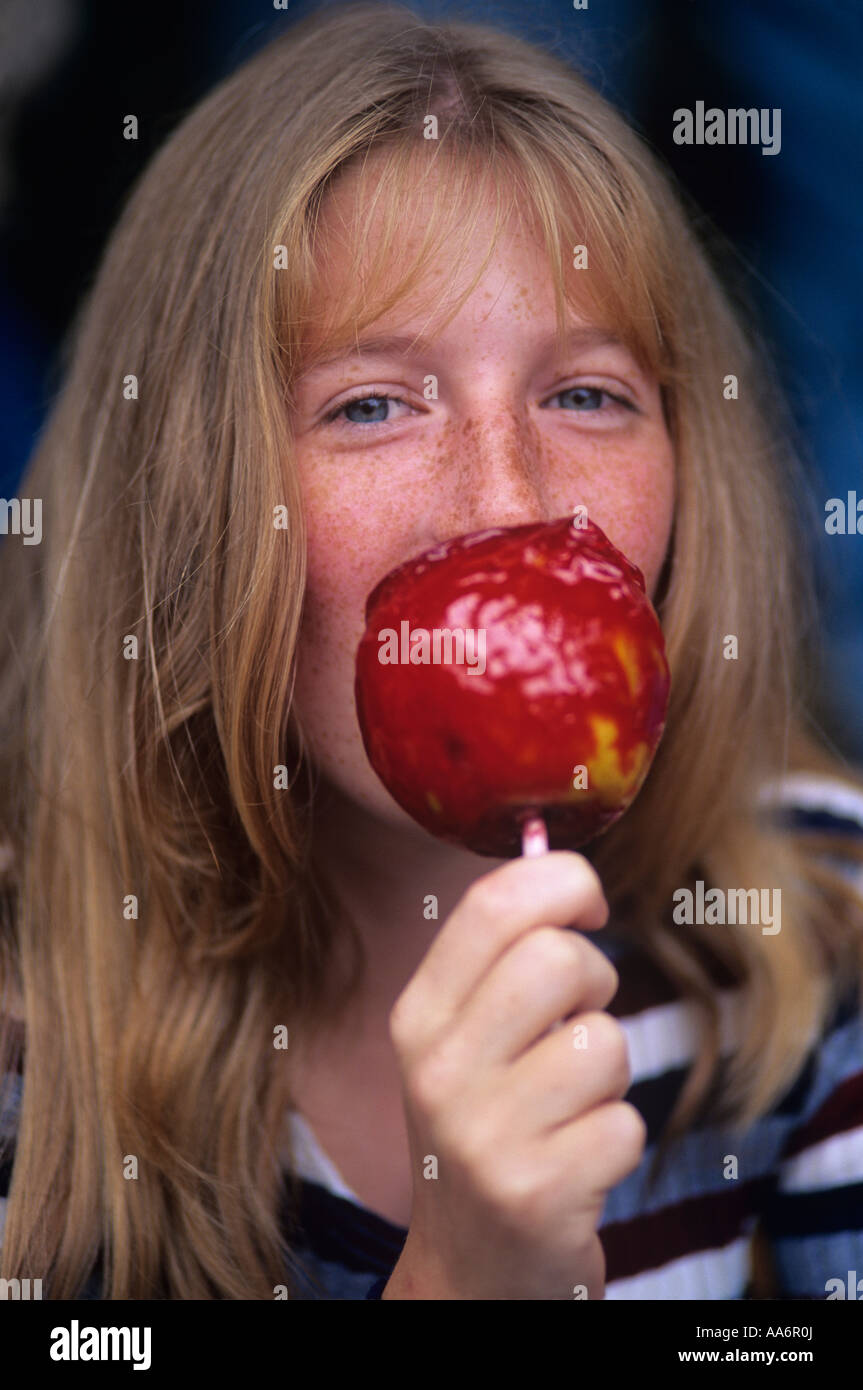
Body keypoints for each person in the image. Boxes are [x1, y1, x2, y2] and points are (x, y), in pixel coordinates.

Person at [1, 1, 862, 1301]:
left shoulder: (820, 935)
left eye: (584, 393)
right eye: (373, 405)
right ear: (192, 498)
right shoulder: (30, 1050)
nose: (511, 501)